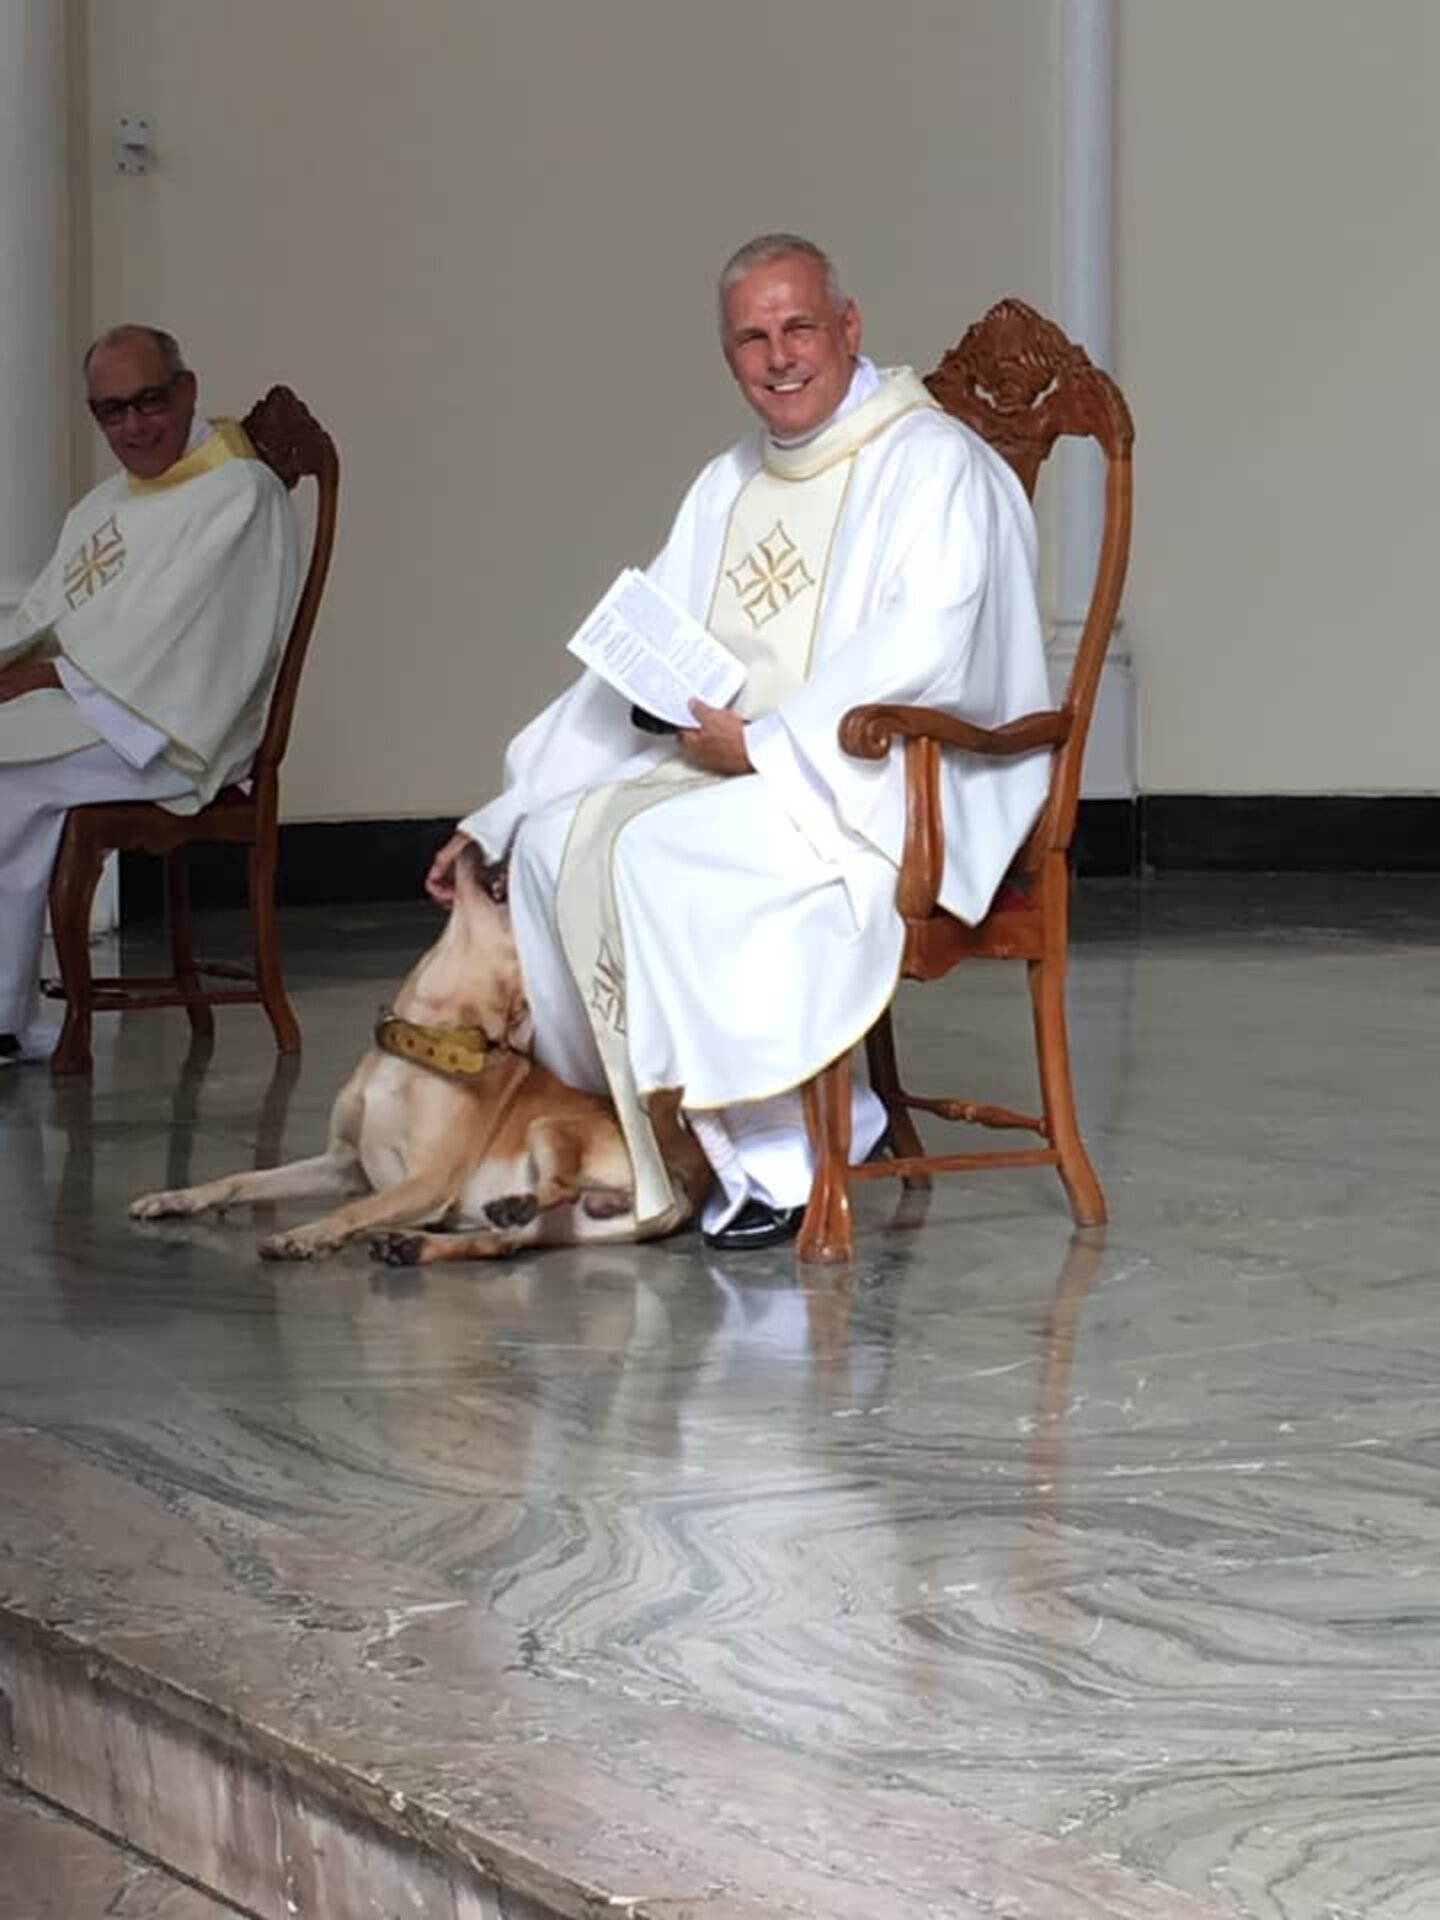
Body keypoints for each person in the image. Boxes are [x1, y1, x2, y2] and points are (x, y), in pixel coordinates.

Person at [427, 235, 1051, 1249]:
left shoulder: (933, 461)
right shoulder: (729, 481)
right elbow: (634, 658)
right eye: (751, 338)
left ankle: (794, 1159)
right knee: (548, 848)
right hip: (745, 761)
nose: (779, 357)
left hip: (890, 777)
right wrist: (500, 815)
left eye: (799, 326)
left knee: (667, 855)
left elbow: (933, 639)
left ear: (848, 329)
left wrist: (768, 745)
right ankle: (660, 1142)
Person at [0, 325, 300, 1062]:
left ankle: (10, 1018)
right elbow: (59, 615)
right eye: (111, 411)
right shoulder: (113, 500)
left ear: (187, 389)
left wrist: (40, 677)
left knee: (6, 777)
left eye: (148, 402)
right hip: (101, 708)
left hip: (176, 727)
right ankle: (13, 1009)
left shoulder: (238, 492)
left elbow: (176, 641)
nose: (133, 427)